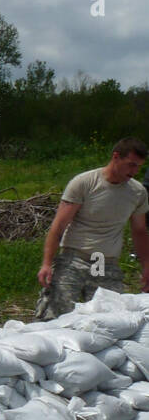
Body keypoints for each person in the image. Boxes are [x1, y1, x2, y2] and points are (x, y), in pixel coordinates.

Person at [35, 137, 149, 319]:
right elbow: (59, 225)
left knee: (110, 320)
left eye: (139, 167)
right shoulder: (85, 183)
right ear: (116, 157)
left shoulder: (137, 193)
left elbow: (139, 231)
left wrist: (146, 265)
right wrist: (47, 263)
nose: (134, 171)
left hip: (106, 263)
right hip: (74, 258)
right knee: (54, 316)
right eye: (131, 165)